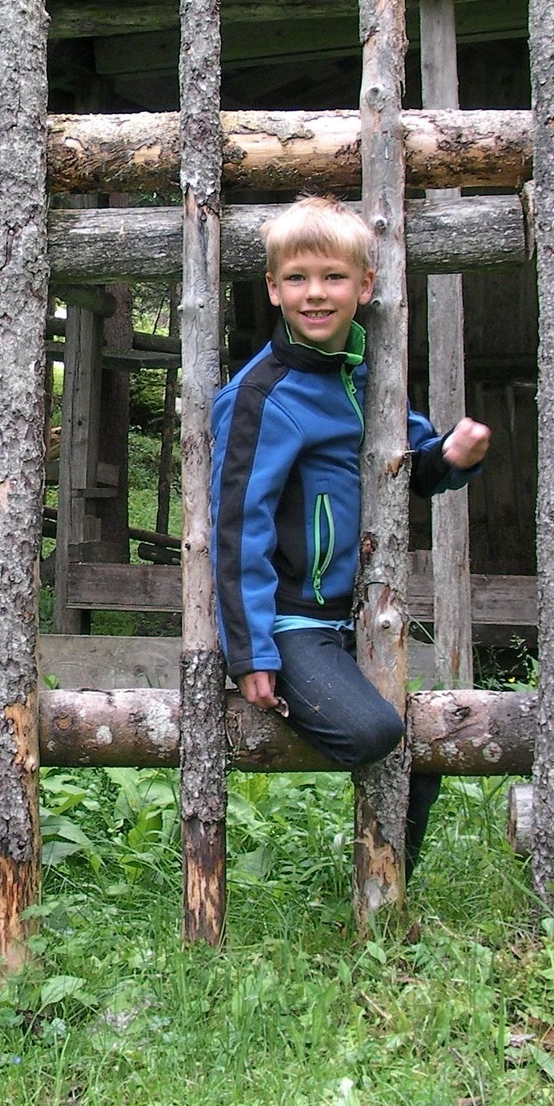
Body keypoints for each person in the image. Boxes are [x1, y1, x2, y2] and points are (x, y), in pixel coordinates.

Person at [212, 196, 492, 875]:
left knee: (423, 740)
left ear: (364, 287)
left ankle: (394, 893)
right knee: (376, 731)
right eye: (299, 278)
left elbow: (408, 466)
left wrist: (451, 458)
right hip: (290, 623)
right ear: (274, 288)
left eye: (334, 277)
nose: (316, 293)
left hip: (356, 617)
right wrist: (250, 653)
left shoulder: (367, 374)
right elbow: (236, 526)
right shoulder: (262, 395)